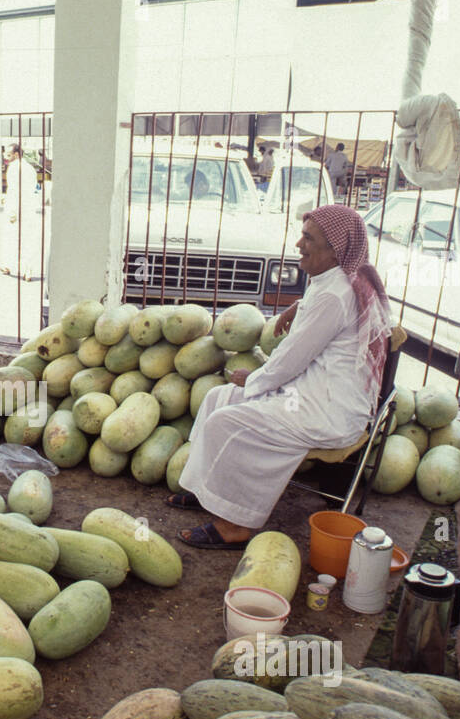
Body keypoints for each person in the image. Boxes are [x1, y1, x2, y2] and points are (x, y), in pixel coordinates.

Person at [167, 204, 393, 549]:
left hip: (329, 408)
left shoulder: (335, 294)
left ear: (336, 249)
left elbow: (290, 361)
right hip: (316, 392)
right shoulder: (336, 281)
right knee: (216, 400)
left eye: (308, 237)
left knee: (227, 422)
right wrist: (298, 306)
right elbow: (320, 310)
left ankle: (234, 525)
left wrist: (252, 380)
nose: (299, 244)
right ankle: (208, 494)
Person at [0, 143, 39, 281]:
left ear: (16, 154)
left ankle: (8, 265)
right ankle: (28, 270)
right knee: (28, 239)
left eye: (8, 154)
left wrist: (12, 210)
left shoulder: (14, 168)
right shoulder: (30, 168)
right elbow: (34, 189)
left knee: (11, 238)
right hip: (29, 208)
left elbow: (14, 190)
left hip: (15, 208)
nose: (6, 157)